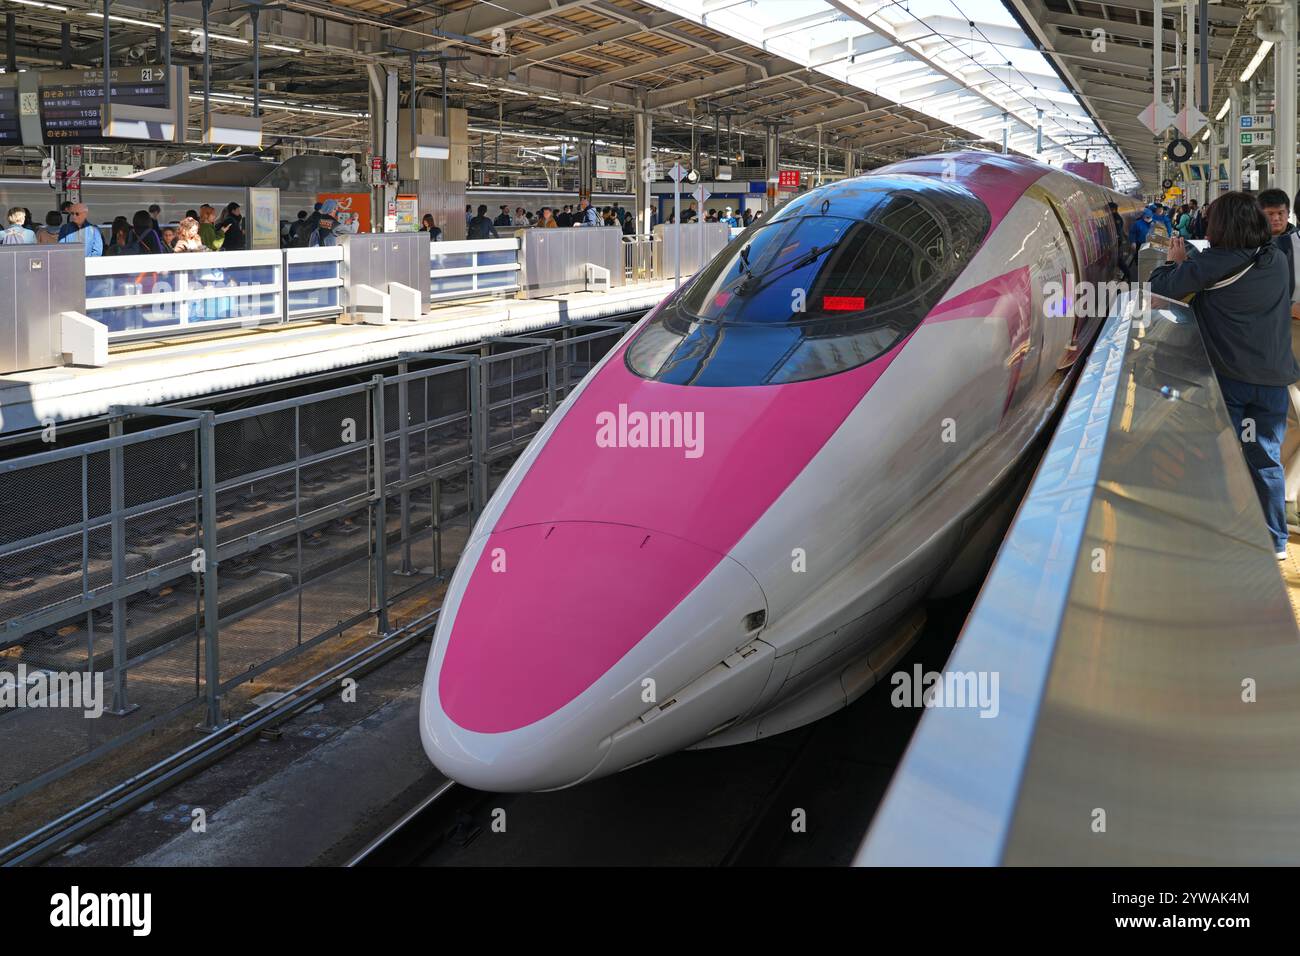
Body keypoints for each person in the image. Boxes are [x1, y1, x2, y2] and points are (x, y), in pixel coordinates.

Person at [1149, 192, 1300, 559]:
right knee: (1265, 456)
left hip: (1227, 379)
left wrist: (1173, 262)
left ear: (1218, 226)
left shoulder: (1213, 263)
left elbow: (1161, 287)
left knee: (1212, 453)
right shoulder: (1276, 259)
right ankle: (1274, 539)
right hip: (1272, 379)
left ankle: (1215, 531)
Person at [1258, 188, 1300, 315]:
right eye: (1270, 214)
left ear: (1289, 213)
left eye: (1280, 213)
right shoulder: (1252, 246)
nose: (1276, 218)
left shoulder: (1293, 241)